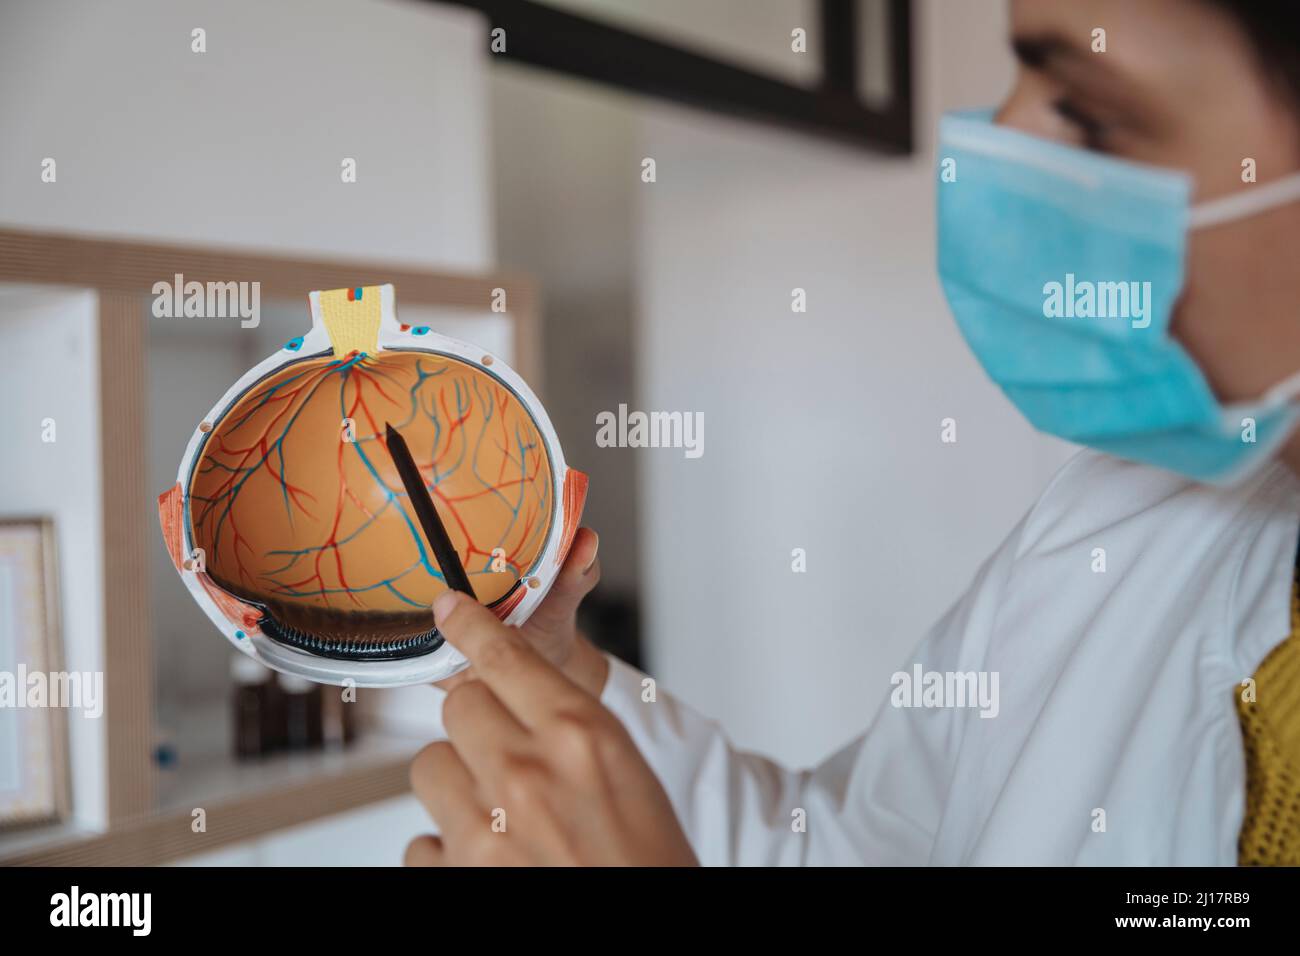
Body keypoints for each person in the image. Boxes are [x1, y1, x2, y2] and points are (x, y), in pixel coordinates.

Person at [404, 0, 1300, 866]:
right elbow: (863, 848)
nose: (994, 150)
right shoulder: (1126, 524)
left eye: (1088, 111)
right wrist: (568, 686)